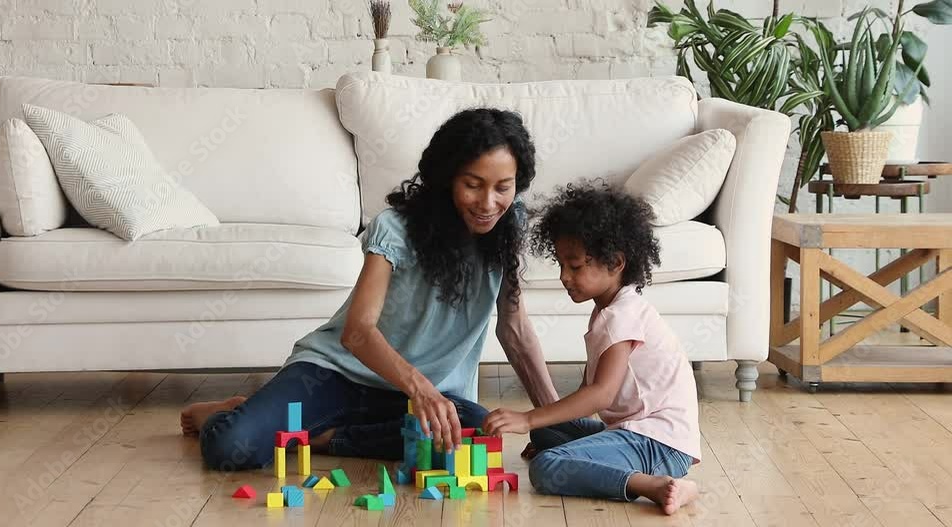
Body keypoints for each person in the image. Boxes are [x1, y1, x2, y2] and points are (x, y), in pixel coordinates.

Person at [180, 108, 560, 470]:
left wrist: (556, 425)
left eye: (503, 188)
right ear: (447, 180)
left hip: (414, 398)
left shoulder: (510, 227)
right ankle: (230, 410)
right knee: (230, 446)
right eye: (473, 185)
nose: (488, 203)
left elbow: (515, 328)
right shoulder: (394, 227)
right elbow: (357, 331)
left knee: (476, 431)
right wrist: (422, 389)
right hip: (336, 374)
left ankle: (324, 437)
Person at [482, 182, 701, 514]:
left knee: (547, 467)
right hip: (637, 433)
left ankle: (655, 485)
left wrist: (527, 418)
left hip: (658, 444)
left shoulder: (621, 318)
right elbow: (588, 392)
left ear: (615, 263)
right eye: (561, 265)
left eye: (575, 266)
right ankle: (594, 462)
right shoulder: (611, 309)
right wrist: (541, 426)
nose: (564, 277)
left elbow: (601, 396)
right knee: (546, 434)